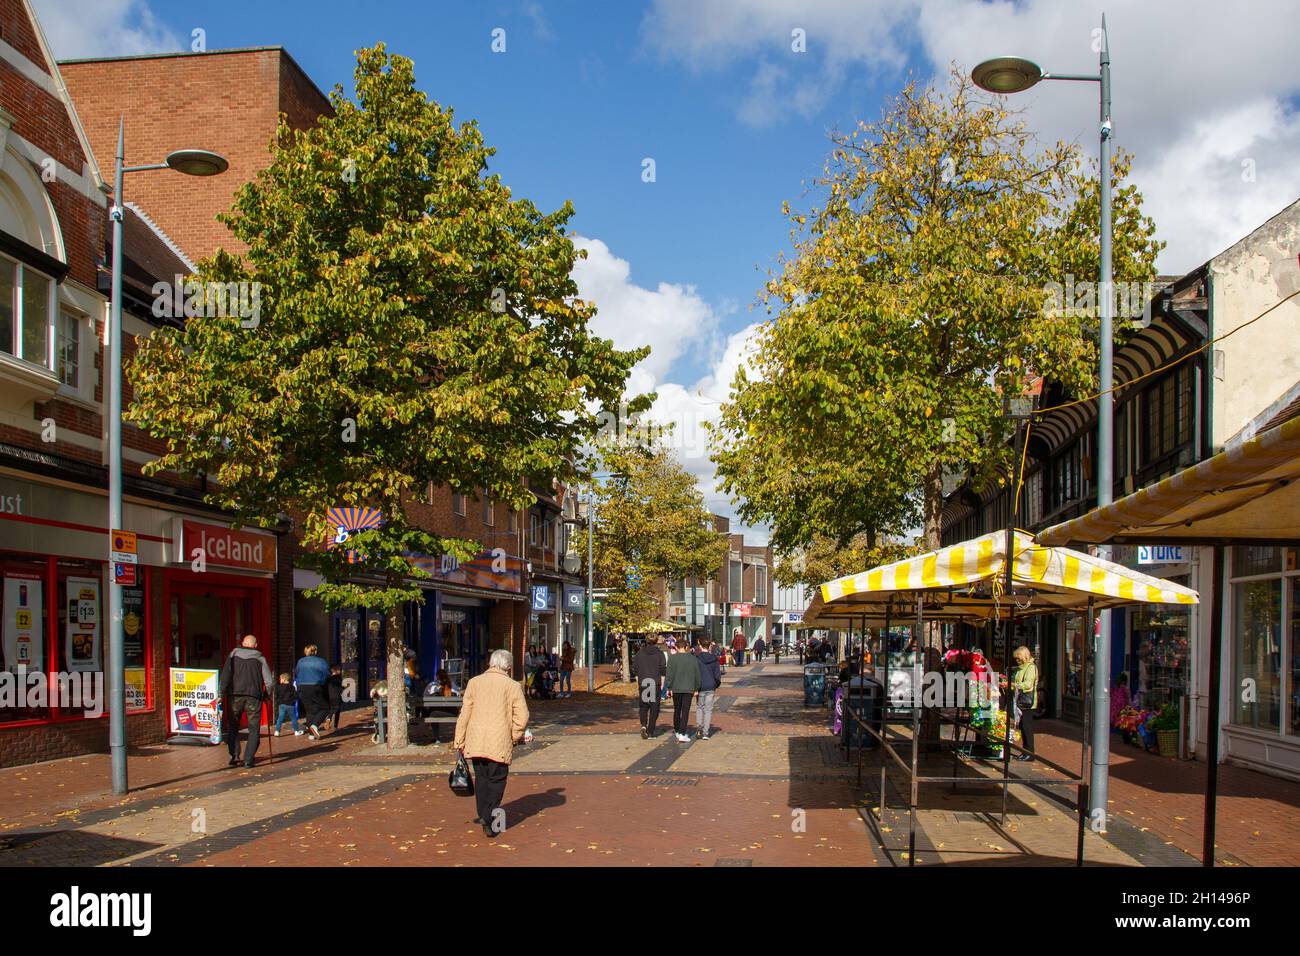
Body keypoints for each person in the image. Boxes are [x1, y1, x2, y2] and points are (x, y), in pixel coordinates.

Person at [453, 649, 530, 840]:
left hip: (476, 739)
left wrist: (459, 740)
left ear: (490, 663)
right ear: (509, 667)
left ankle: (484, 814)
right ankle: (489, 818)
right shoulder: (512, 686)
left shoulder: (474, 683)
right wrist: (514, 736)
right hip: (499, 741)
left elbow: (465, 714)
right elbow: (523, 716)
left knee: (482, 779)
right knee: (497, 780)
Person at [219, 634, 274, 768]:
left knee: (233, 726)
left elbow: (225, 675)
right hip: (254, 697)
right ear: (255, 645)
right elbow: (269, 681)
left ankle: (235, 755)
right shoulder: (260, 658)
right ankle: (248, 759)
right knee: (254, 729)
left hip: (235, 696)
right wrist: (267, 694)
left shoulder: (233, 656)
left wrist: (221, 693)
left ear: (243, 643)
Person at [633, 634, 667, 738]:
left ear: (646, 641)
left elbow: (635, 668)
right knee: (654, 706)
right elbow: (663, 670)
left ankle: (643, 725)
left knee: (643, 705)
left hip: (644, 681)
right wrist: (662, 682)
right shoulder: (660, 654)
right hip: (654, 682)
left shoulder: (640, 653)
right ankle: (650, 729)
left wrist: (638, 680)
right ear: (656, 641)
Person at [666, 640, 700, 742]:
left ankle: (677, 730)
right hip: (688, 687)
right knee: (685, 711)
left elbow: (669, 675)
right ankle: (682, 732)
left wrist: (669, 688)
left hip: (676, 687)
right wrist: (696, 688)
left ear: (676, 647)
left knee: (677, 709)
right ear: (686, 647)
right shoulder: (693, 658)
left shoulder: (672, 659)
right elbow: (697, 674)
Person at [294, 644, 331, 739]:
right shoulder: (321, 661)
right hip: (315, 686)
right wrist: (322, 682)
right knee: (325, 708)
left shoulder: (300, 662)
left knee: (310, 710)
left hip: (301, 687)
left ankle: (311, 734)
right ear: (315, 651)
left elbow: (296, 673)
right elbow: (327, 673)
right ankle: (315, 725)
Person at [1009, 645, 1039, 761]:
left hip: (1027, 702)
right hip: (1019, 701)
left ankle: (1030, 753)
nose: (1017, 661)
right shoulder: (1021, 668)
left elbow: (1028, 684)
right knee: (1022, 727)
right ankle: (1025, 751)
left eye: (1018, 658)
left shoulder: (1031, 668)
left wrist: (1014, 685)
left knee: (1027, 727)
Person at [694, 638, 723, 740]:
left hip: (700, 686)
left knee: (699, 707)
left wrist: (695, 686)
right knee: (708, 709)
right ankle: (705, 732)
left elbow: (695, 674)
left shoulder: (696, 658)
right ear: (710, 646)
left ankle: (699, 728)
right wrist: (715, 684)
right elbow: (717, 675)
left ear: (700, 646)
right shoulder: (714, 659)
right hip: (711, 686)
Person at [273, 673, 303, 737]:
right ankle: (296, 731)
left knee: (280, 718)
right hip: (290, 705)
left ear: (284, 679)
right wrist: (293, 701)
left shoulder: (278, 687)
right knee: (293, 718)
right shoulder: (292, 687)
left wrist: (279, 701)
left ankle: (277, 731)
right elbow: (295, 695)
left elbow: (276, 695)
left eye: (280, 679)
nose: (280, 680)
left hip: (282, 705)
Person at [326, 665, 344, 731]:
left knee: (333, 708)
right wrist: (344, 688)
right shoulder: (338, 678)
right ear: (336, 671)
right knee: (337, 709)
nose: (341, 671)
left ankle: (329, 718)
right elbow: (339, 688)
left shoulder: (328, 678)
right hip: (337, 696)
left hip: (330, 696)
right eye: (340, 670)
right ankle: (334, 725)